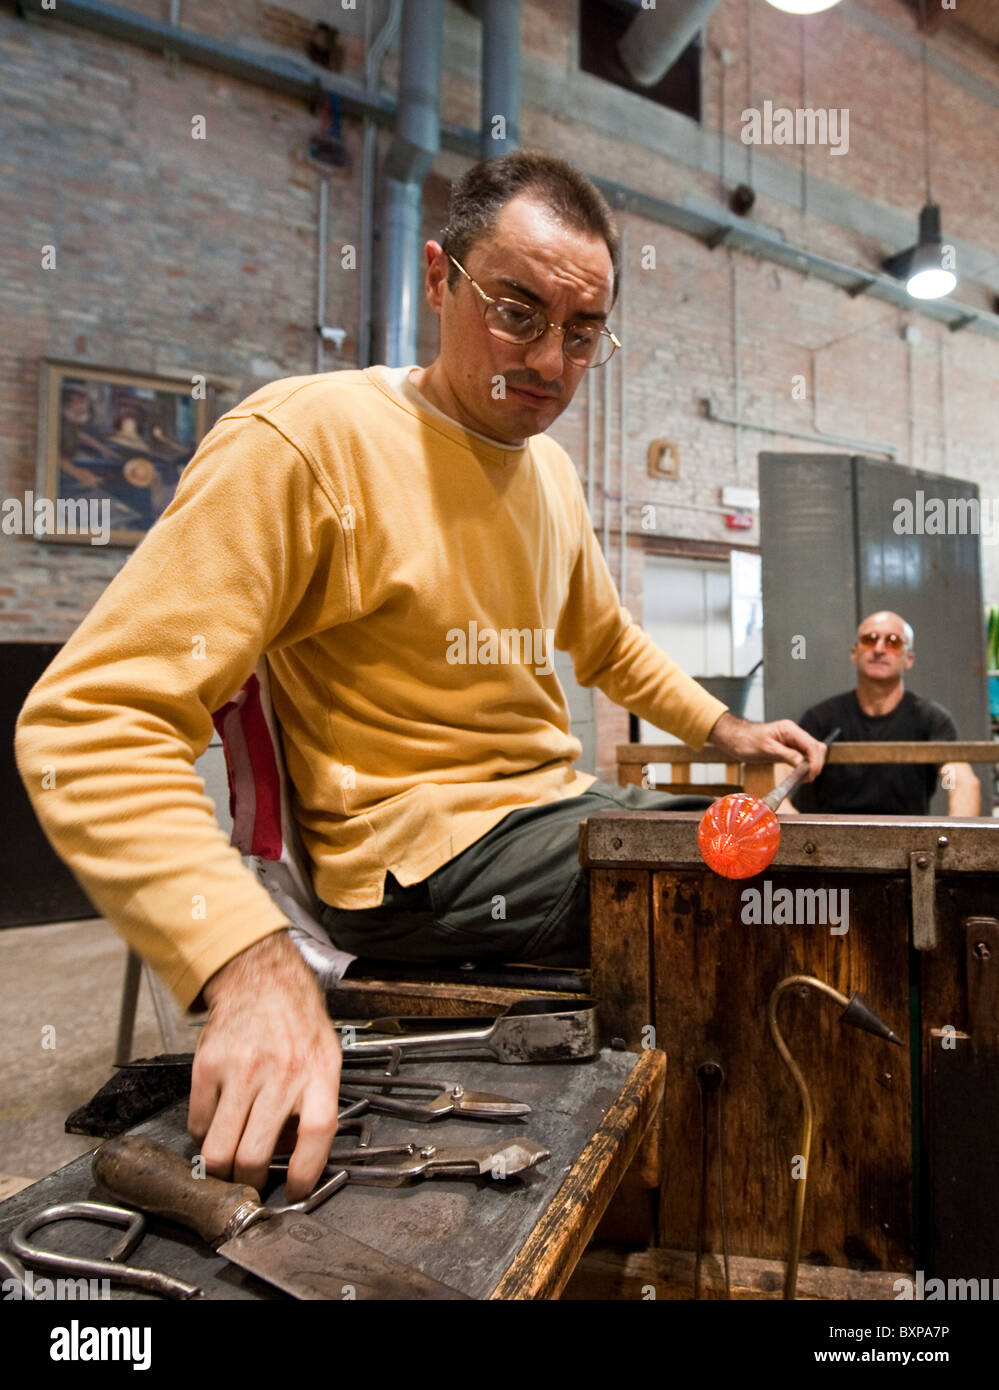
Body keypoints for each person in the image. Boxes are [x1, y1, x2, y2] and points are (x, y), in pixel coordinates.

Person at [15, 150, 826, 1203]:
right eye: (517, 310)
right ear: (439, 280)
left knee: (761, 834)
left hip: (550, 814)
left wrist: (729, 732)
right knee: (742, 873)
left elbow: (609, 640)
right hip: (418, 863)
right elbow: (91, 723)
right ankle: (715, 1192)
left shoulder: (552, 474)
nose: (549, 360)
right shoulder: (306, 443)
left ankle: (720, 1175)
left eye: (583, 334)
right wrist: (247, 959)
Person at [788, 610, 980, 816]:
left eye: (893, 642)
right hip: (827, 840)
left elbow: (960, 780)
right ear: (854, 653)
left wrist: (951, 840)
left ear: (909, 659)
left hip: (909, 843)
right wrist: (800, 836)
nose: (879, 649)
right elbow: (782, 772)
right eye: (870, 639)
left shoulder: (931, 720)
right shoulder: (821, 718)